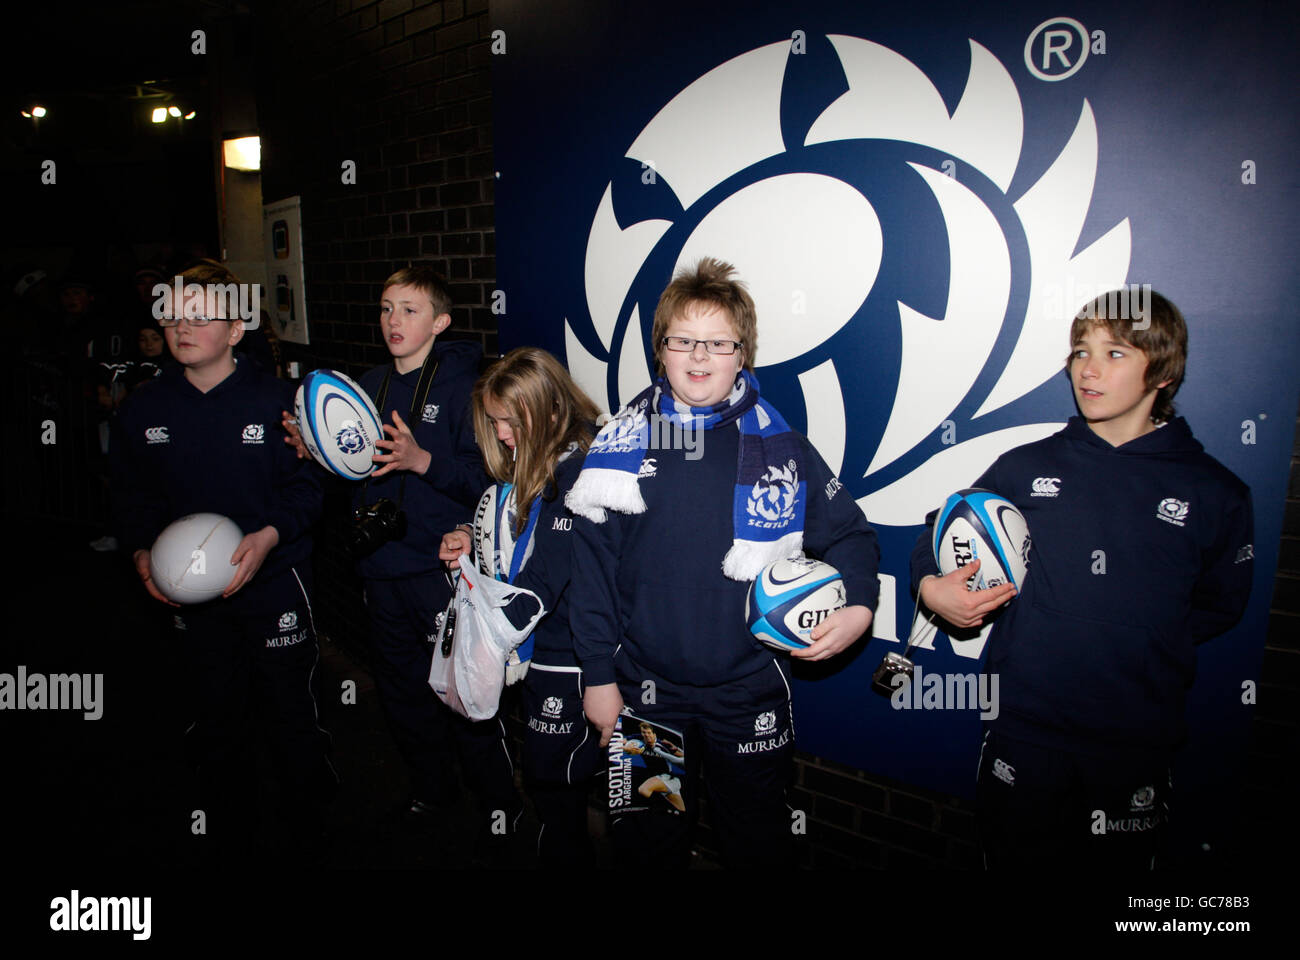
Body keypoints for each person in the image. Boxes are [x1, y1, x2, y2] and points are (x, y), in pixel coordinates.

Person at [910, 289, 1254, 869]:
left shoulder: (1215, 493)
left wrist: (1137, 637)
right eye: (1078, 351)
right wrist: (929, 586)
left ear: (1163, 370)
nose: (1088, 370)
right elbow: (936, 532)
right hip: (1022, 731)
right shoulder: (1026, 466)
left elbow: (1220, 606)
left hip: (1132, 748)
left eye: (1114, 353)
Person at [567, 257, 880, 868]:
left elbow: (850, 535)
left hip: (750, 689)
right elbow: (593, 576)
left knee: (754, 842)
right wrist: (599, 680)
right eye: (683, 341)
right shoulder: (619, 446)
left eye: (718, 343)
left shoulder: (781, 446)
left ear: (743, 355)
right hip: (644, 693)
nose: (700, 357)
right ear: (661, 351)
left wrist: (860, 607)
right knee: (648, 847)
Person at [111, 259, 336, 863]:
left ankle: (311, 828)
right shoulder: (143, 409)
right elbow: (131, 497)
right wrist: (140, 552)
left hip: (275, 584)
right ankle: (227, 827)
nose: (182, 328)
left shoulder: (281, 401)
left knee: (291, 713)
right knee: (216, 715)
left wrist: (268, 535)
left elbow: (310, 489)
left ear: (236, 330)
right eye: (174, 316)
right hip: (191, 597)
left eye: (201, 317)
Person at [282, 265, 513, 837]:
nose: (394, 321)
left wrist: (421, 461)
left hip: (444, 573)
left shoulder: (469, 390)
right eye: (386, 308)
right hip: (380, 570)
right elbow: (356, 474)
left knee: (464, 696)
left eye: (410, 310)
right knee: (403, 696)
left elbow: (493, 482)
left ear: (440, 321)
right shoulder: (365, 386)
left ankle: (497, 808)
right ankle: (434, 792)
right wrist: (318, 453)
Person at [438, 346, 604, 865]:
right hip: (539, 648)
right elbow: (514, 541)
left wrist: (481, 635)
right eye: (493, 421)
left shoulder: (579, 472)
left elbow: (542, 578)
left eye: (510, 421)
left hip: (568, 653)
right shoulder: (536, 462)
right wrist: (470, 538)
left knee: (555, 776)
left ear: (551, 411)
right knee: (551, 773)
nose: (502, 433)